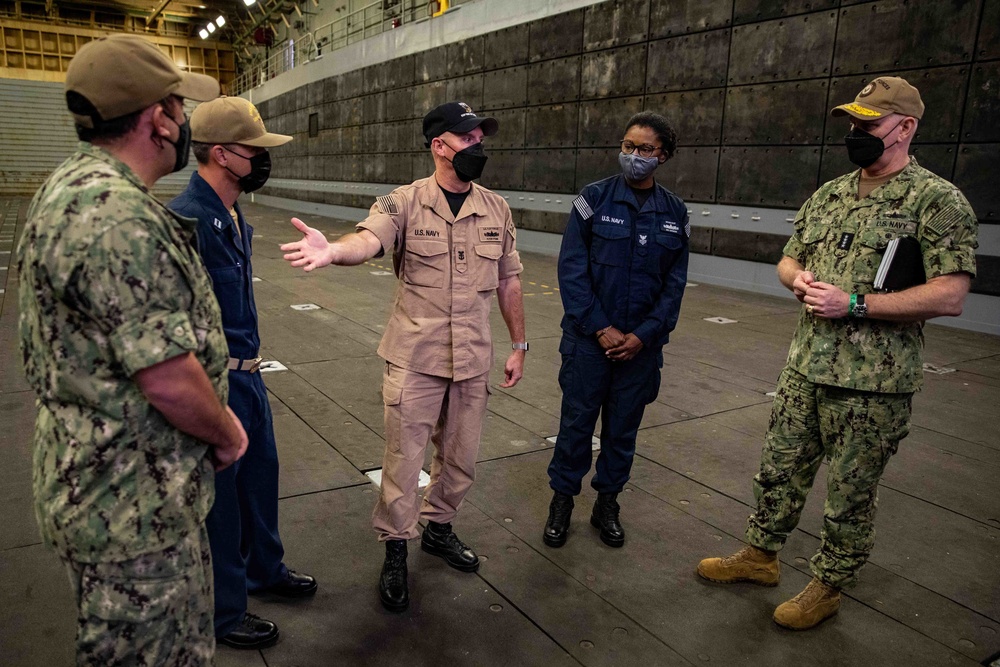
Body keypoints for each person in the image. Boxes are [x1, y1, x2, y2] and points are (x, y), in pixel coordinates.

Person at [697, 76, 978, 630]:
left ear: (905, 128)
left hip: (873, 384)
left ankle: (829, 585)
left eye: (868, 124)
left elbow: (950, 295)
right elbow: (787, 259)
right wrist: (797, 281)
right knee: (778, 470)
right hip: (806, 367)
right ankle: (760, 556)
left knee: (850, 491)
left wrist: (854, 303)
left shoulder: (937, 201)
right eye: (852, 124)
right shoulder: (829, 195)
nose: (856, 134)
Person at [16, 35, 248, 665]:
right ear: (158, 118)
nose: (184, 123)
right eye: (179, 108)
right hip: (132, 509)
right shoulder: (120, 217)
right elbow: (168, 378)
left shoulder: (72, 185)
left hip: (101, 487)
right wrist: (227, 434)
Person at [280, 101, 526, 612]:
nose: (478, 147)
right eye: (468, 139)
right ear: (440, 146)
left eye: (481, 139)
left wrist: (519, 344)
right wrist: (332, 252)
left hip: (473, 359)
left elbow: (509, 279)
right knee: (404, 461)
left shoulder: (496, 208)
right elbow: (368, 240)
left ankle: (438, 528)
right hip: (415, 357)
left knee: (460, 459)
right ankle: (396, 546)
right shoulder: (404, 202)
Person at [169, 96, 317, 650]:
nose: (261, 158)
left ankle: (264, 571)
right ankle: (225, 611)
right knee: (221, 503)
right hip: (214, 380)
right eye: (253, 150)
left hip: (249, 374)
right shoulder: (187, 219)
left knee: (260, 480)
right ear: (222, 154)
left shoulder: (234, 217)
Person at [543, 111, 689, 550]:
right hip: (589, 344)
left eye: (644, 149)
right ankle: (562, 502)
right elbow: (572, 271)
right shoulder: (592, 200)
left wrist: (643, 335)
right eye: (628, 146)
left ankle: (607, 504)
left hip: (639, 351)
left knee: (622, 432)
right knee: (576, 427)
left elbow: (674, 285)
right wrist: (600, 327)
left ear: (662, 155)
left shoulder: (674, 212)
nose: (633, 156)